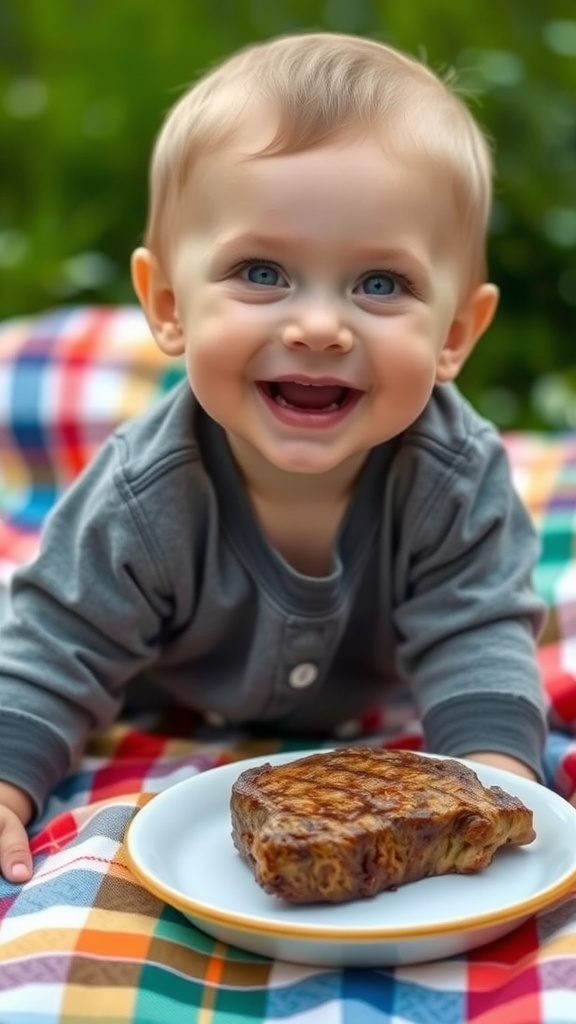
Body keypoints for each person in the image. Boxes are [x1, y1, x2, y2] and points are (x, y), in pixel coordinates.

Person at [0, 31, 552, 883]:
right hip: (159, 695)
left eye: (379, 284)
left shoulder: (453, 477)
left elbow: (477, 634)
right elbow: (54, 640)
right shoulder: (147, 491)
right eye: (262, 272)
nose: (320, 326)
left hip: (363, 727)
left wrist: (497, 781)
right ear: (170, 306)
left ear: (453, 335)